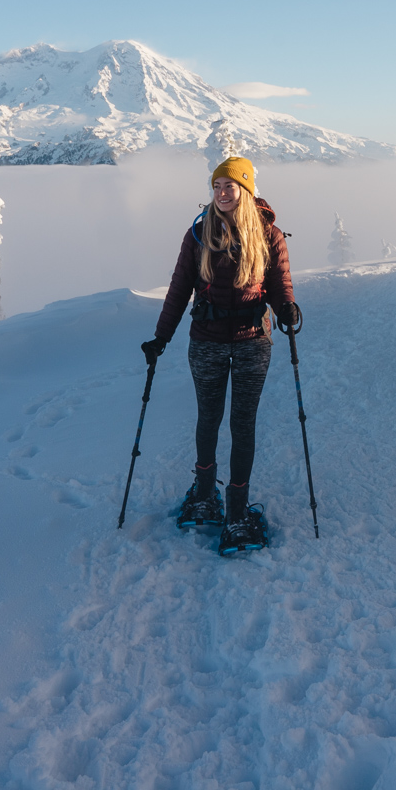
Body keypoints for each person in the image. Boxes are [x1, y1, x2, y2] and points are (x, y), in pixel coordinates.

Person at [142, 156, 298, 554]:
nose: (222, 193)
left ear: (246, 191)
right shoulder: (197, 234)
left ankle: (234, 509)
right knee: (209, 418)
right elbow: (179, 289)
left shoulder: (268, 235)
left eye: (230, 186)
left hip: (252, 341)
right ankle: (208, 496)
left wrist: (286, 309)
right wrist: (160, 338)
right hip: (207, 340)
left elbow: (279, 284)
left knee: (242, 424)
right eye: (217, 187)